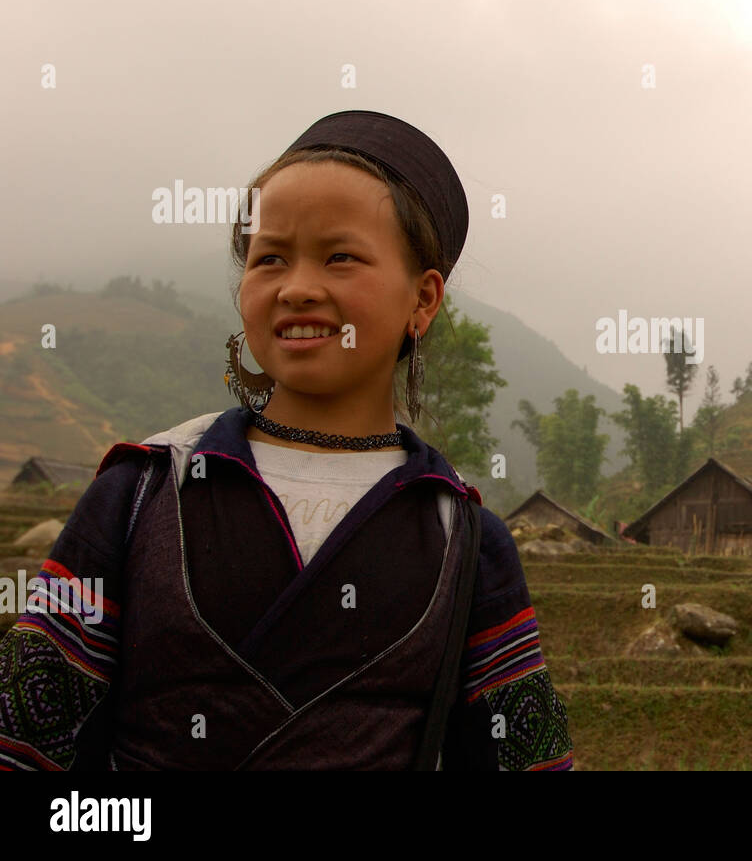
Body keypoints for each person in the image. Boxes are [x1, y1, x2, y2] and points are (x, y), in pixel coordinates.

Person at [0, 110, 573, 770]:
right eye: (268, 257)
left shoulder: (464, 540)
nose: (297, 288)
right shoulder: (139, 494)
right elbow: (25, 745)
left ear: (422, 300)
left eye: (340, 257)